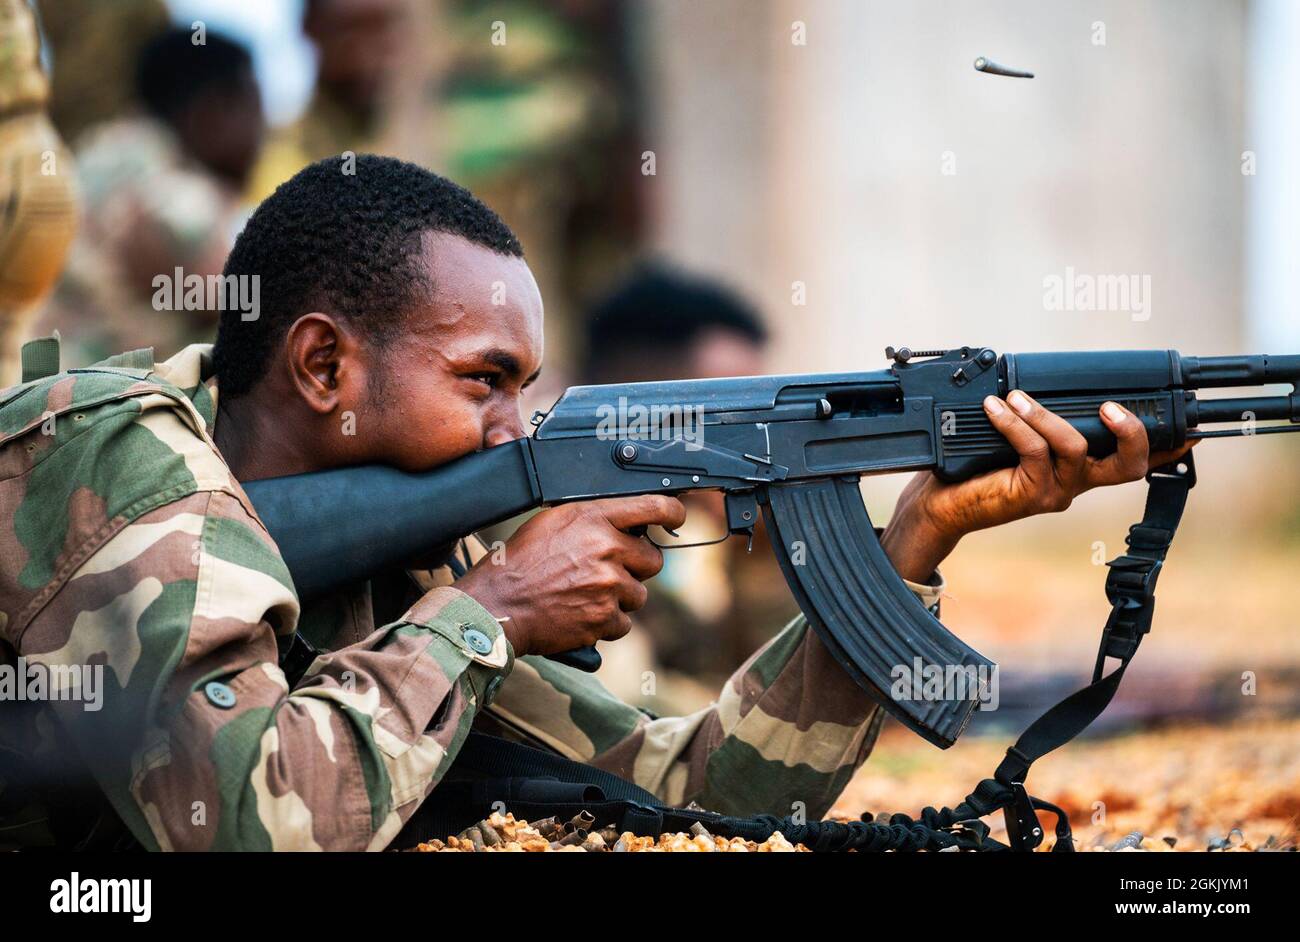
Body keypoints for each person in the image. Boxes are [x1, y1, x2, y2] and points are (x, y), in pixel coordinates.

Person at [0, 156, 1191, 851]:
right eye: (483, 382)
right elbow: (249, 831)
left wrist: (913, 533)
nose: (518, 429)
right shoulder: (121, 461)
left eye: (527, 385)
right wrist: (489, 610)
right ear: (323, 369)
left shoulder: (408, 548)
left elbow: (705, 796)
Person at [36, 27, 264, 366]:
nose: (263, 130)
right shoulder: (175, 191)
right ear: (213, 112)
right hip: (88, 400)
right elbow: (254, 302)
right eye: (255, 109)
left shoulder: (100, 155)